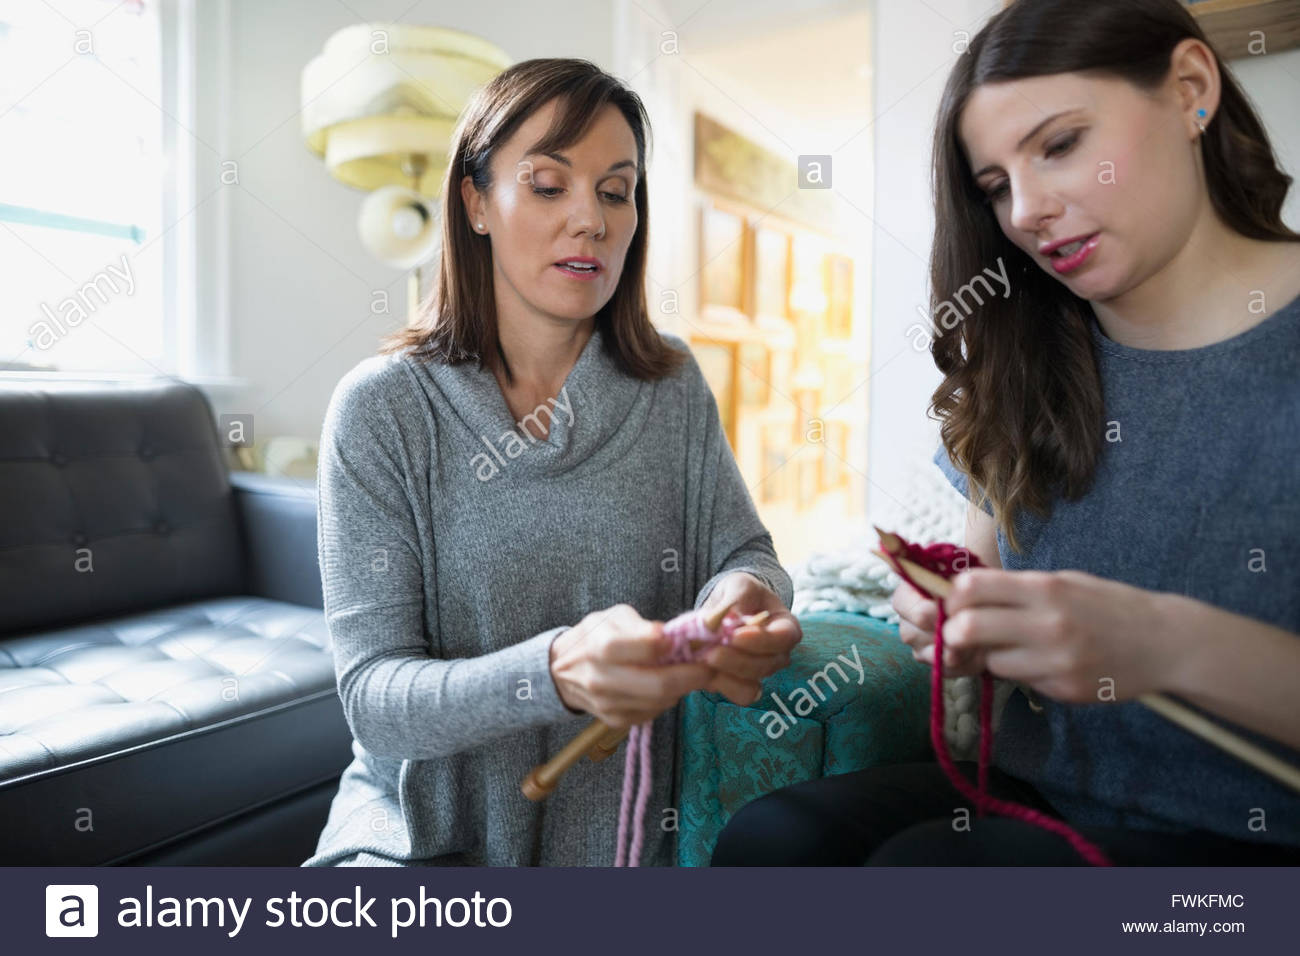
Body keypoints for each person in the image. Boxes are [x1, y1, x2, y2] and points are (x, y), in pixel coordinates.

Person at [712, 0, 1300, 866]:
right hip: (1035, 794)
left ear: (1190, 90)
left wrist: (1163, 643)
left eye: (1060, 145)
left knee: (933, 875)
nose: (1025, 210)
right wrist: (956, 619)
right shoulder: (1031, 359)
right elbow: (979, 581)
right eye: (994, 186)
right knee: (776, 842)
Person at [303, 58, 801, 867]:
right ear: (475, 201)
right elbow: (375, 705)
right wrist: (555, 673)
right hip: (417, 845)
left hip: (630, 841)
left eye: (615, 191)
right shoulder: (383, 409)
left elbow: (746, 556)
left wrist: (744, 596)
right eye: (546, 185)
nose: (591, 220)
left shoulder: (668, 386)